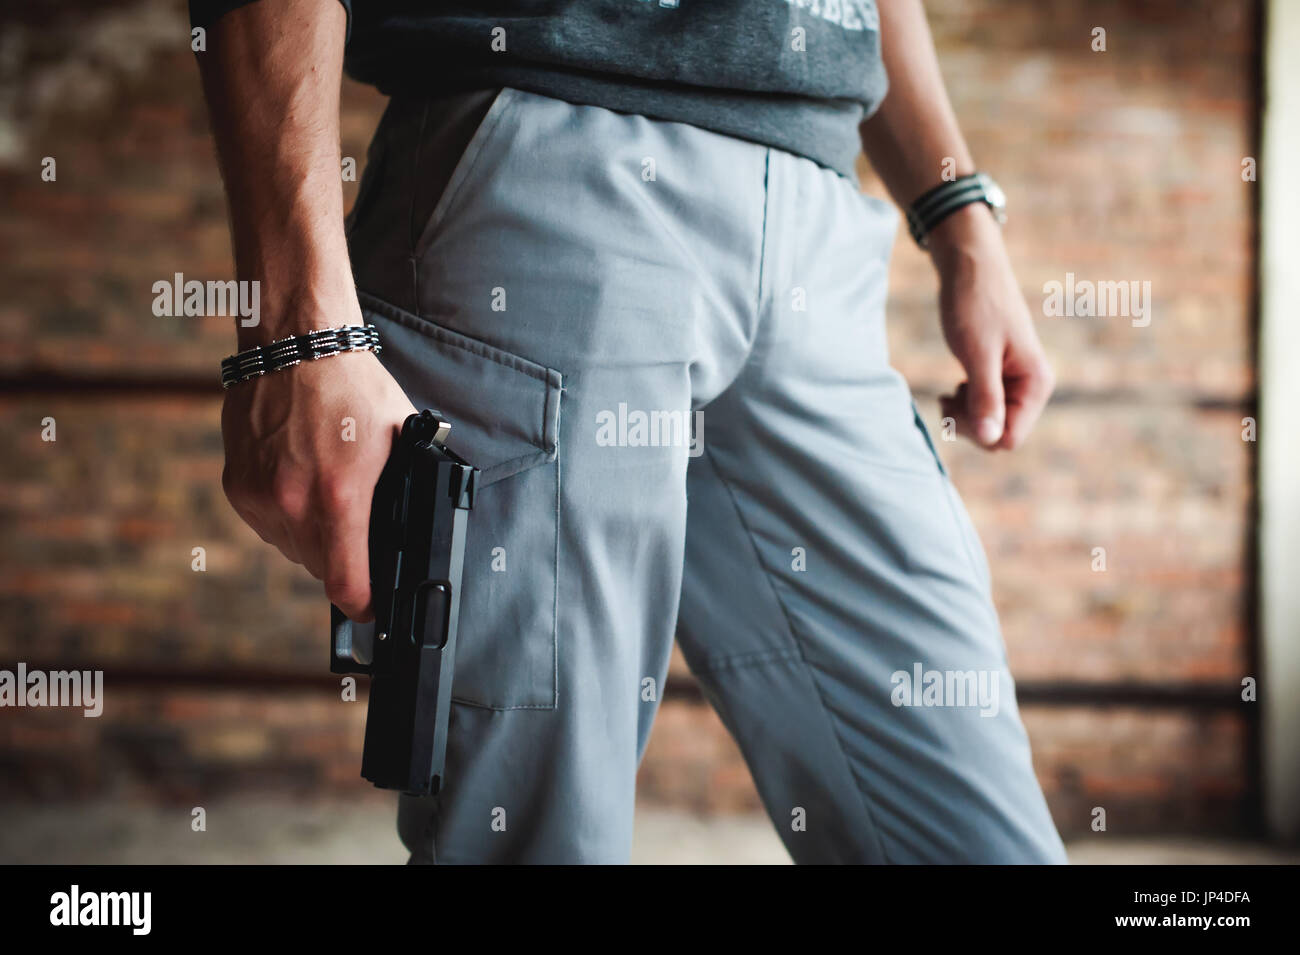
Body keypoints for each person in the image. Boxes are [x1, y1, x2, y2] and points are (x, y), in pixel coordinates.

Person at [192, 0, 1065, 864]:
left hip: (822, 226)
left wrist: (962, 221)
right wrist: (294, 329)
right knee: (534, 838)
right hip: (545, 168)